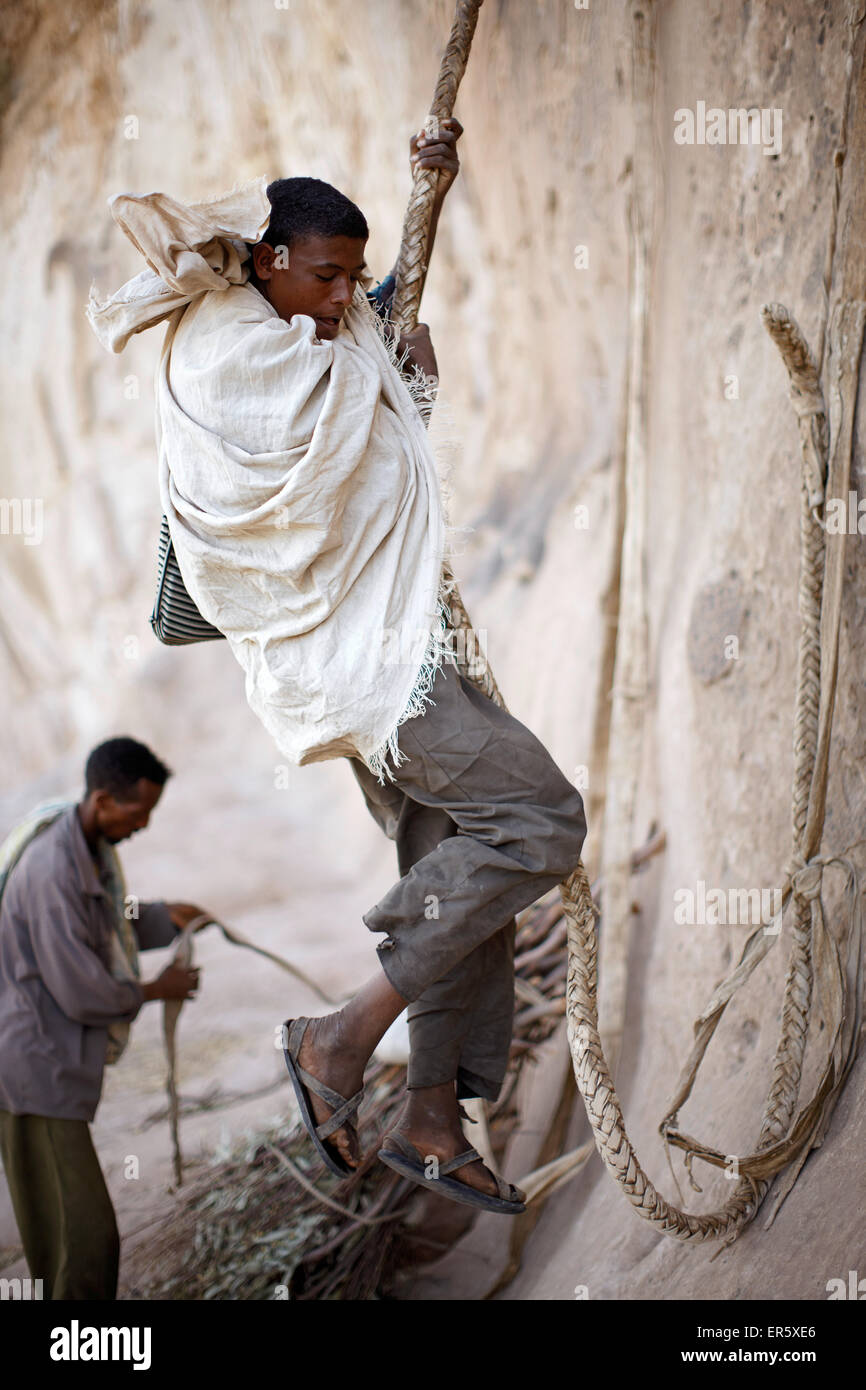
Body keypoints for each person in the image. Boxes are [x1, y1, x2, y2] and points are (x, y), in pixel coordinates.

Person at [87, 121, 587, 1213]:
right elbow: (340, 464)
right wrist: (404, 382)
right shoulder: (231, 356)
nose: (342, 296)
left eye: (354, 277)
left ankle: (428, 1122)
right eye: (325, 274)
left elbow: (371, 382)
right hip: (370, 671)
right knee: (538, 822)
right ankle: (340, 1035)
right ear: (267, 258)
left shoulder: (312, 327)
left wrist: (426, 195)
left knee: (460, 873)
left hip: (372, 657)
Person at [0, 736, 212, 1299]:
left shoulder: (85, 850)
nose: (142, 826)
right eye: (137, 813)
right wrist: (155, 987)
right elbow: (81, 990)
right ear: (102, 800)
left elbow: (105, 924)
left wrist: (168, 917)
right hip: (33, 1071)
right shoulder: (52, 870)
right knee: (85, 1240)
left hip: (45, 1068)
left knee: (59, 1242)